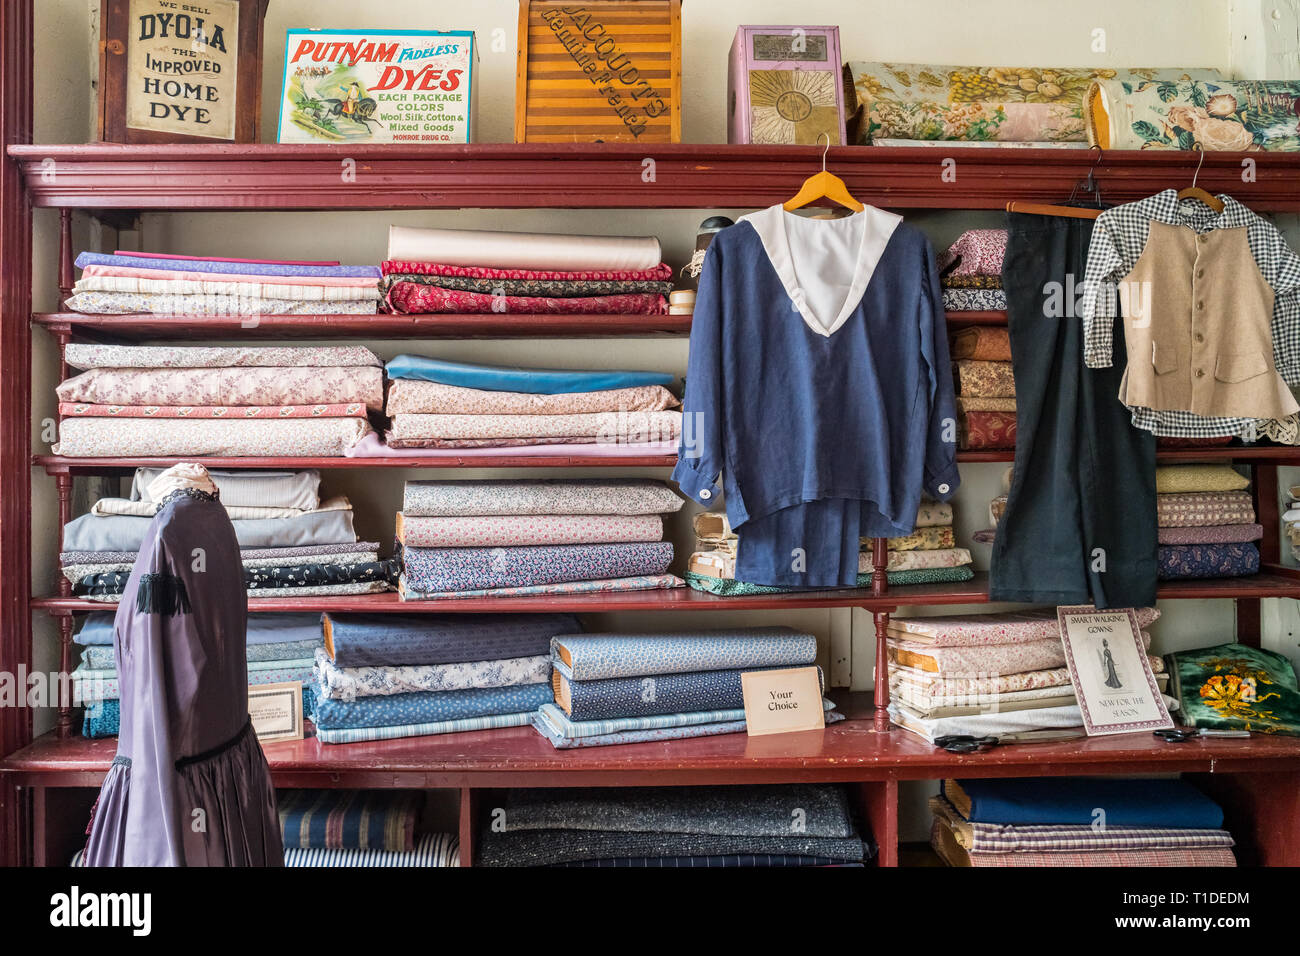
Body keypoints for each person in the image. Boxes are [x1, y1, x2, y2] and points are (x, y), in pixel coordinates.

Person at [82, 463, 282, 866]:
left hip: (168, 764)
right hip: (220, 761)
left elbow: (154, 674)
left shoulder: (168, 534)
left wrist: (151, 799)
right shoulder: (215, 520)